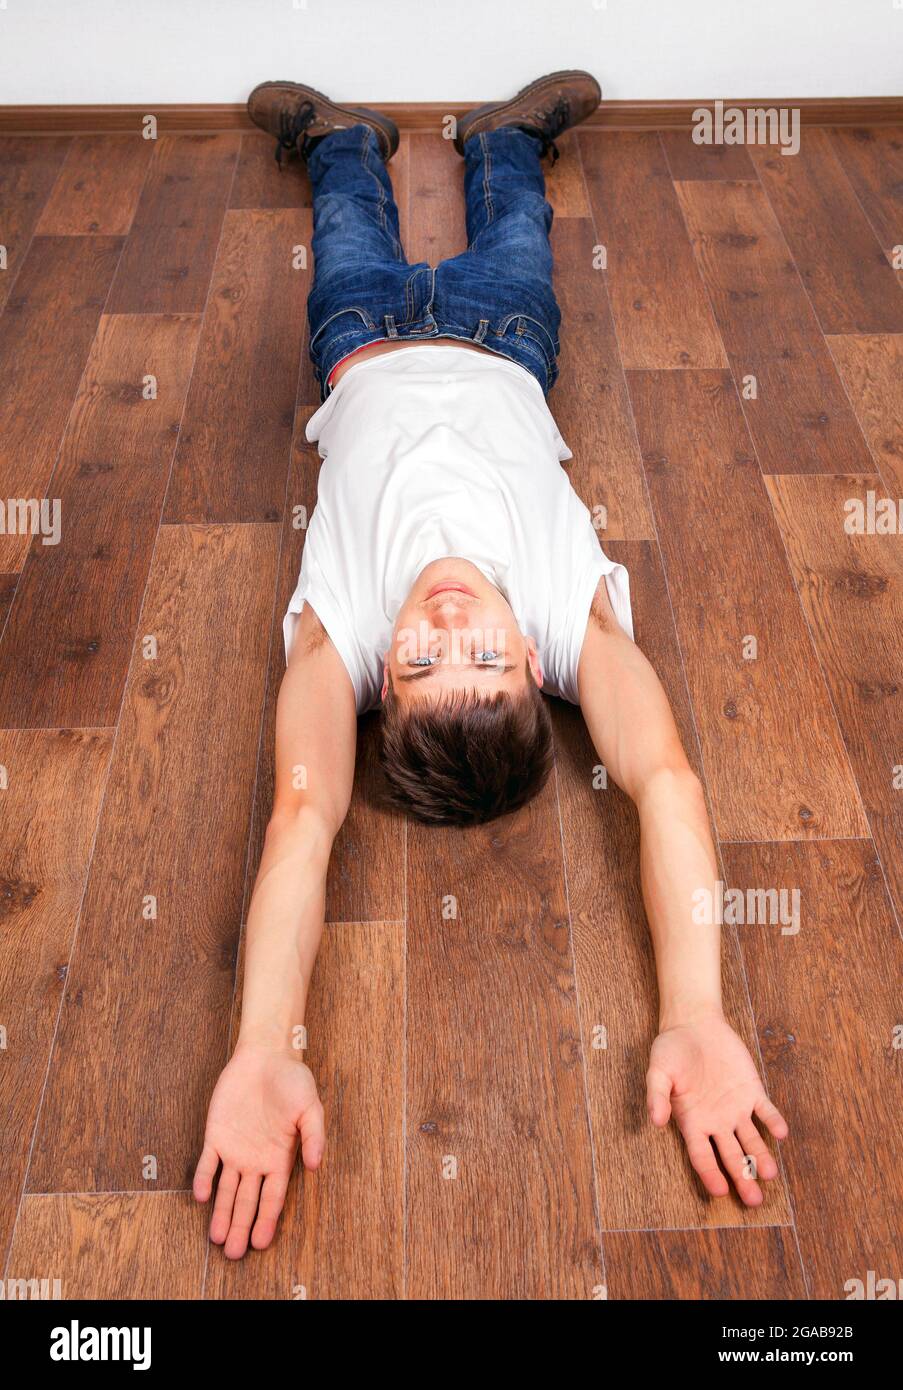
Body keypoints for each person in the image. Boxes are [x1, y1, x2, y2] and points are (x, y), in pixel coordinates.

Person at [192, 72, 788, 1260]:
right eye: (486, 655)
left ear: (380, 681)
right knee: (516, 221)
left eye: (423, 660)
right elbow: (665, 780)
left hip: (360, 342)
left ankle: (337, 140)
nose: (452, 620)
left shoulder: (340, 636)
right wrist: (697, 1014)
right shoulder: (571, 614)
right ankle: (508, 139)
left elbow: (301, 823)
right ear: (533, 656)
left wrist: (264, 1045)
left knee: (349, 225)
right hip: (508, 338)